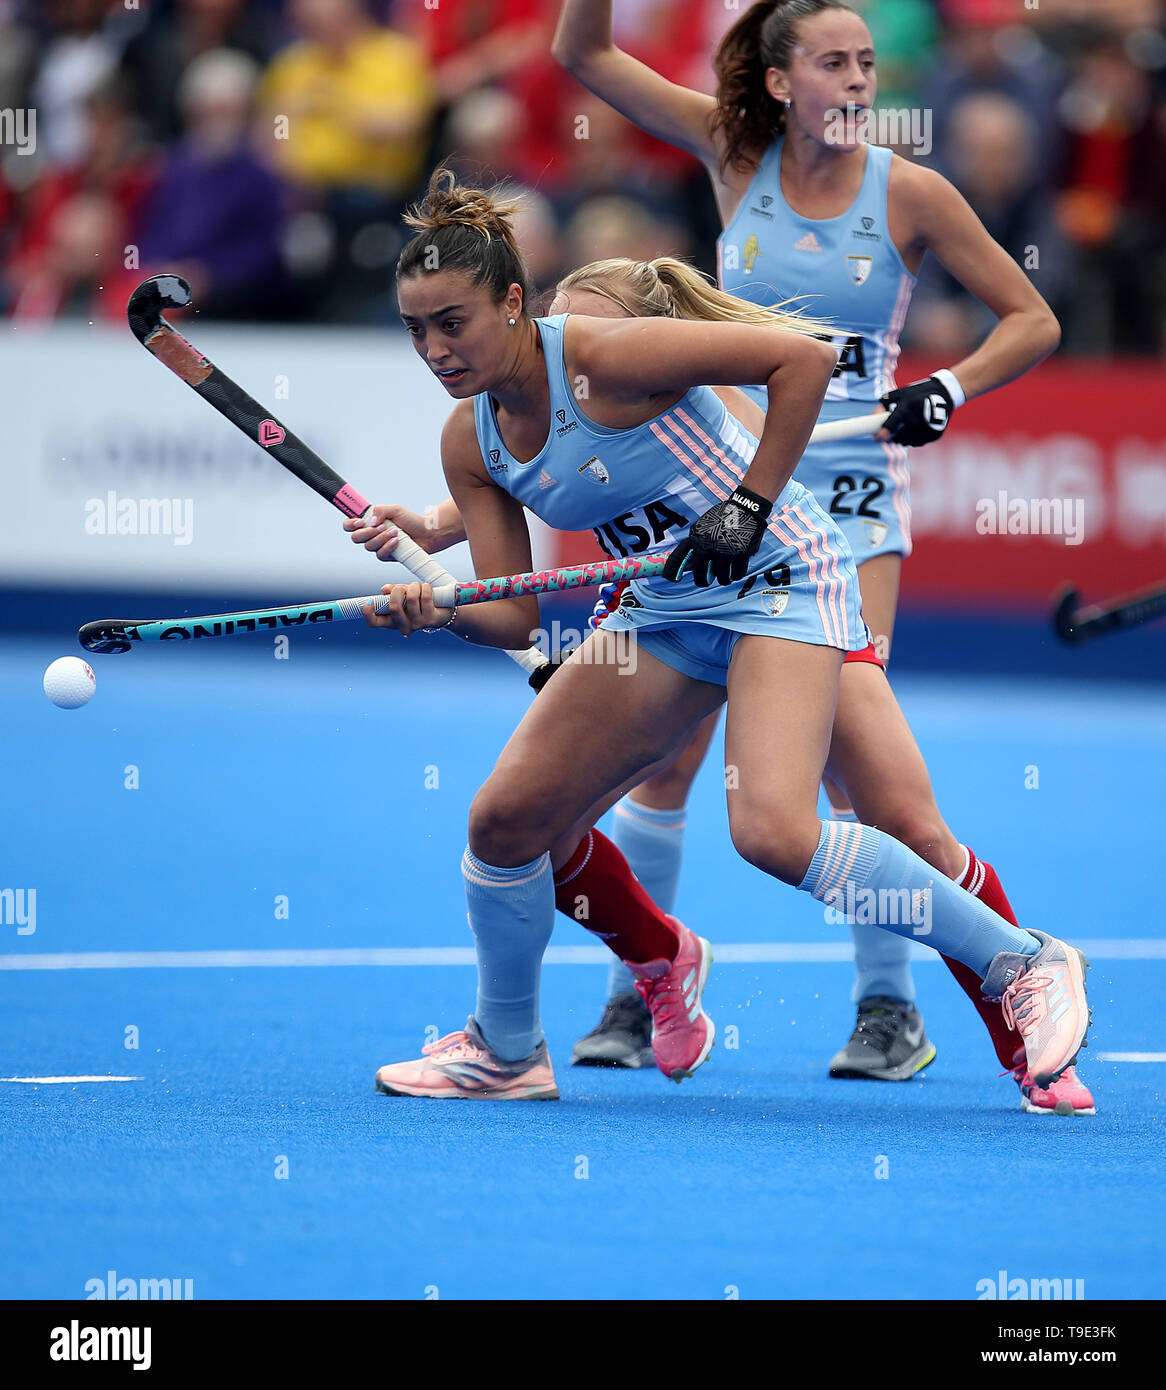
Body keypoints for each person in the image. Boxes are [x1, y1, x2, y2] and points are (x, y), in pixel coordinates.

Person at [349, 169, 1090, 1105]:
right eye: (416, 328)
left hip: (779, 576)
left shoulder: (598, 354)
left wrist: (747, 506)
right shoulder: (472, 440)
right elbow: (513, 614)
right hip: (667, 608)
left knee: (775, 831)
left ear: (509, 300)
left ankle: (1020, 962)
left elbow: (802, 361)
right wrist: (437, 606)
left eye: (451, 321)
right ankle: (506, 1050)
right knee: (504, 822)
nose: (435, 348)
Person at [551, 0, 1086, 1113]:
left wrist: (946, 385)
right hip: (728, 494)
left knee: (855, 773)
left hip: (847, 506)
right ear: (779, 80)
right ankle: (636, 981)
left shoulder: (912, 192)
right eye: (832, 63)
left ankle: (885, 1009)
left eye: (866, 63)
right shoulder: (729, 149)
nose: (856, 81)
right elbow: (583, 53)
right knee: (665, 764)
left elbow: (1028, 319)